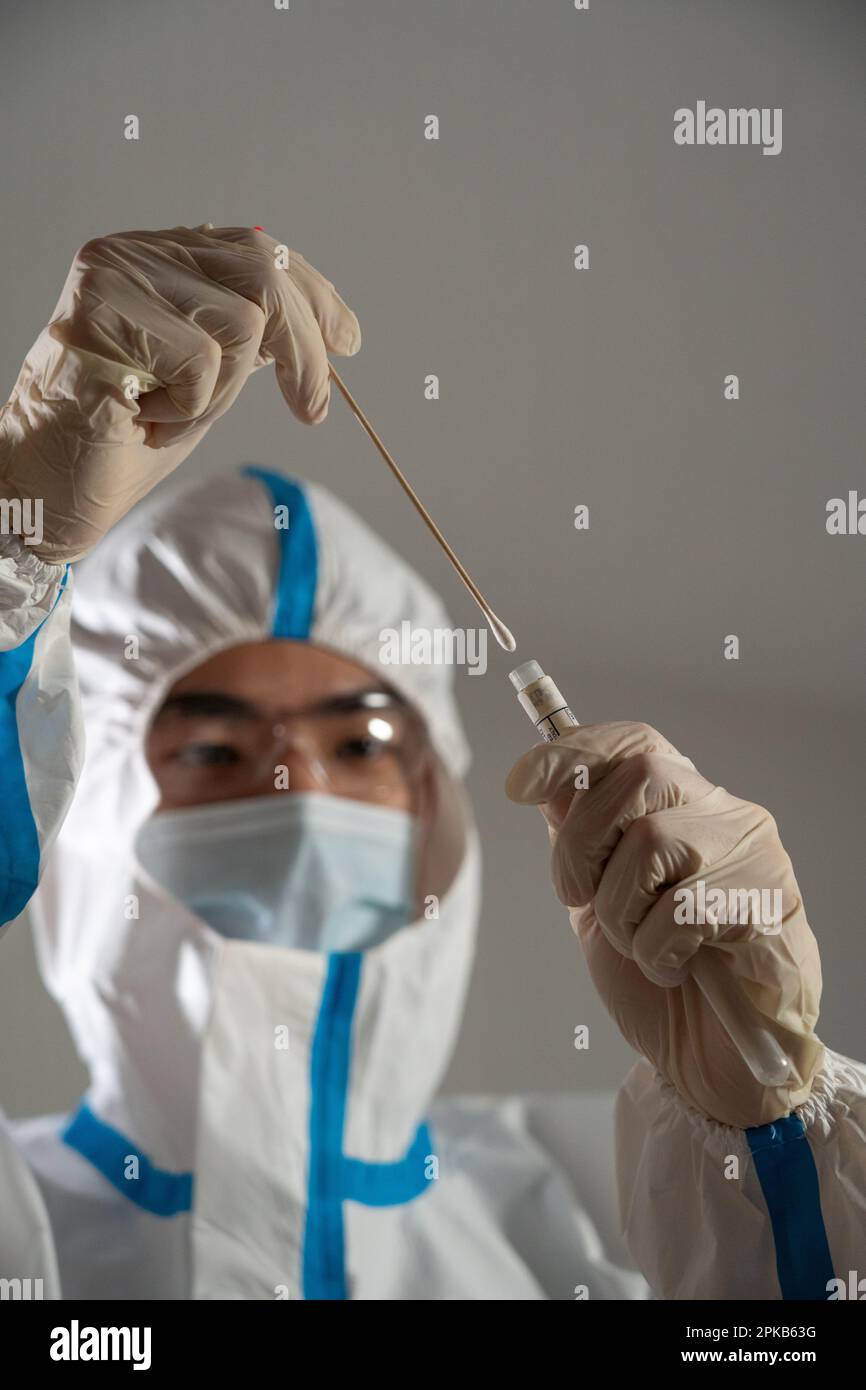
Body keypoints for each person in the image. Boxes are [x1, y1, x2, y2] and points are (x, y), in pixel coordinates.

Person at [0, 225, 863, 1301]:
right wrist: (7, 546)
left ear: (436, 798)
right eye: (216, 746)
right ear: (88, 805)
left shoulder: (609, 1206)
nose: (293, 785)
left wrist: (765, 1132)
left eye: (357, 740)